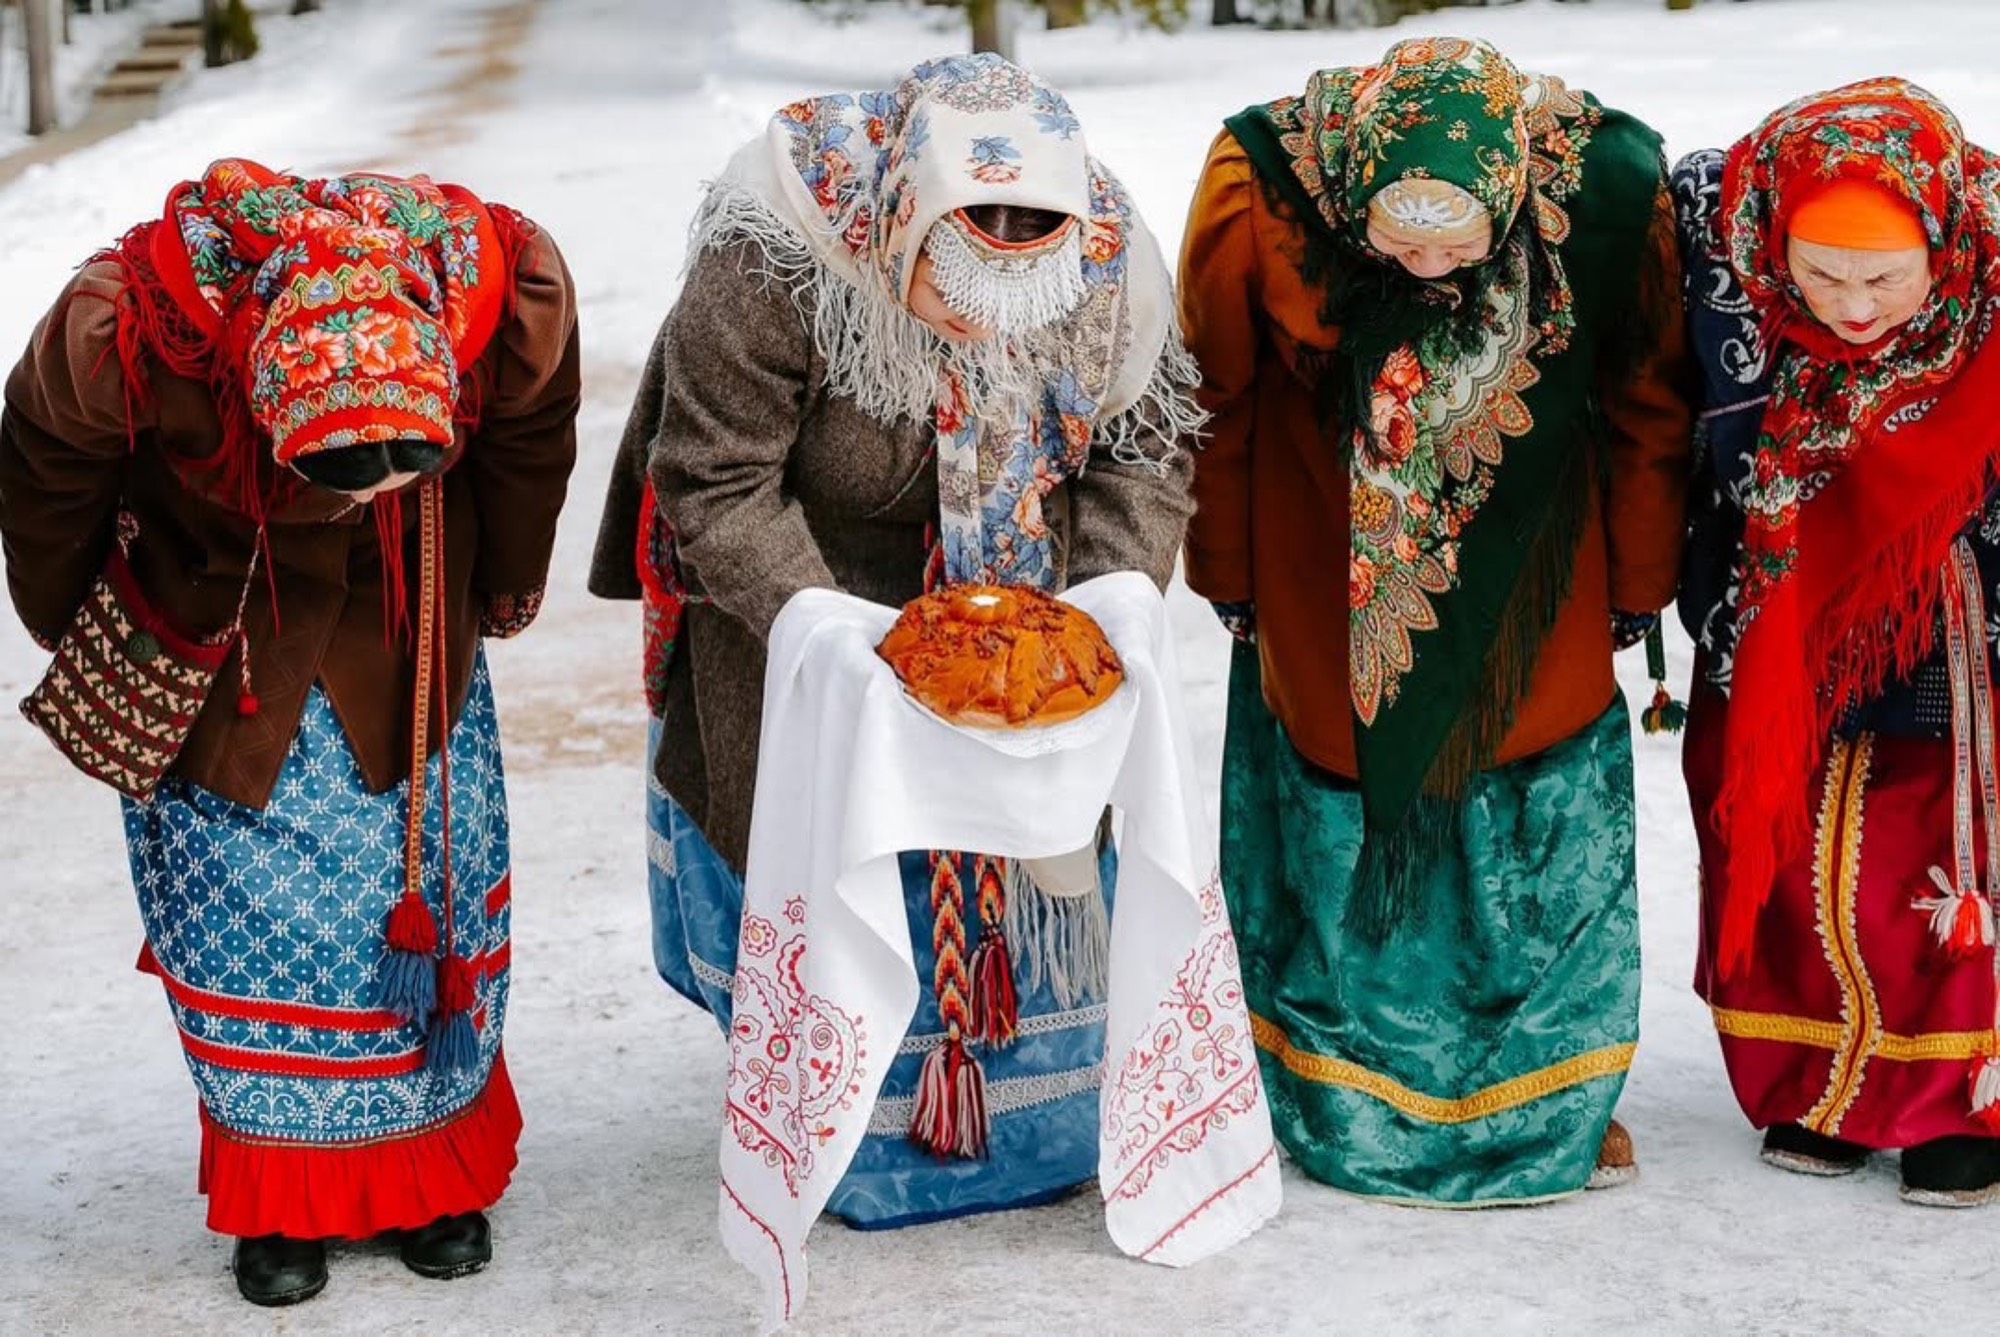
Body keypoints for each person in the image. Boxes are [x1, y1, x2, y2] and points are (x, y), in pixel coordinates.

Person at [590, 53, 1200, 1228]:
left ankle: (1026, 1128)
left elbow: (1145, 445)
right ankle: (838, 1132)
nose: (985, 327)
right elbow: (713, 478)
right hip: (810, 592)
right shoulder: (774, 250)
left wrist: (1101, 603)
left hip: (1021, 591)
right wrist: (839, 645)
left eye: (1017, 306)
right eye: (956, 291)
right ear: (898, 225)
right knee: (835, 832)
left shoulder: (1106, 254)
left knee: (1033, 829)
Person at [0, 159, 579, 1302]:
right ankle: (278, 1202)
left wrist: (502, 580)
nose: (361, 489)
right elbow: (40, 466)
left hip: (408, 645)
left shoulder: (484, 288)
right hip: (229, 648)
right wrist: (82, 610)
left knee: (416, 911)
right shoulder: (125, 329)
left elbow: (530, 435)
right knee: (246, 931)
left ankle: (432, 1177)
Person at [1178, 36, 1693, 1205]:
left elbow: (1645, 404)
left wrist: (1638, 582)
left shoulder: (1606, 192)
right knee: (1346, 825)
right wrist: (1226, 573)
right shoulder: (1258, 184)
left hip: (1536, 593)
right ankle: (1345, 1094)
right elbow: (1213, 395)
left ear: (1510, 198)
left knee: (1530, 828)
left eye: (1454, 245)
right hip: (1324, 579)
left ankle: (1548, 1089)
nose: (1421, 269)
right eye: (1394, 243)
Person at [1678, 79, 2000, 1207]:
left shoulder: (1990, 302)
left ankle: (1958, 1098)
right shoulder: (1727, 295)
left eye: (1882, 278)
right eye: (1821, 277)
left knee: (1930, 866)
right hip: (1776, 638)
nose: (1852, 309)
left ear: (1938, 249)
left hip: (1948, 640)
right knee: (1791, 862)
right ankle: (1813, 1078)